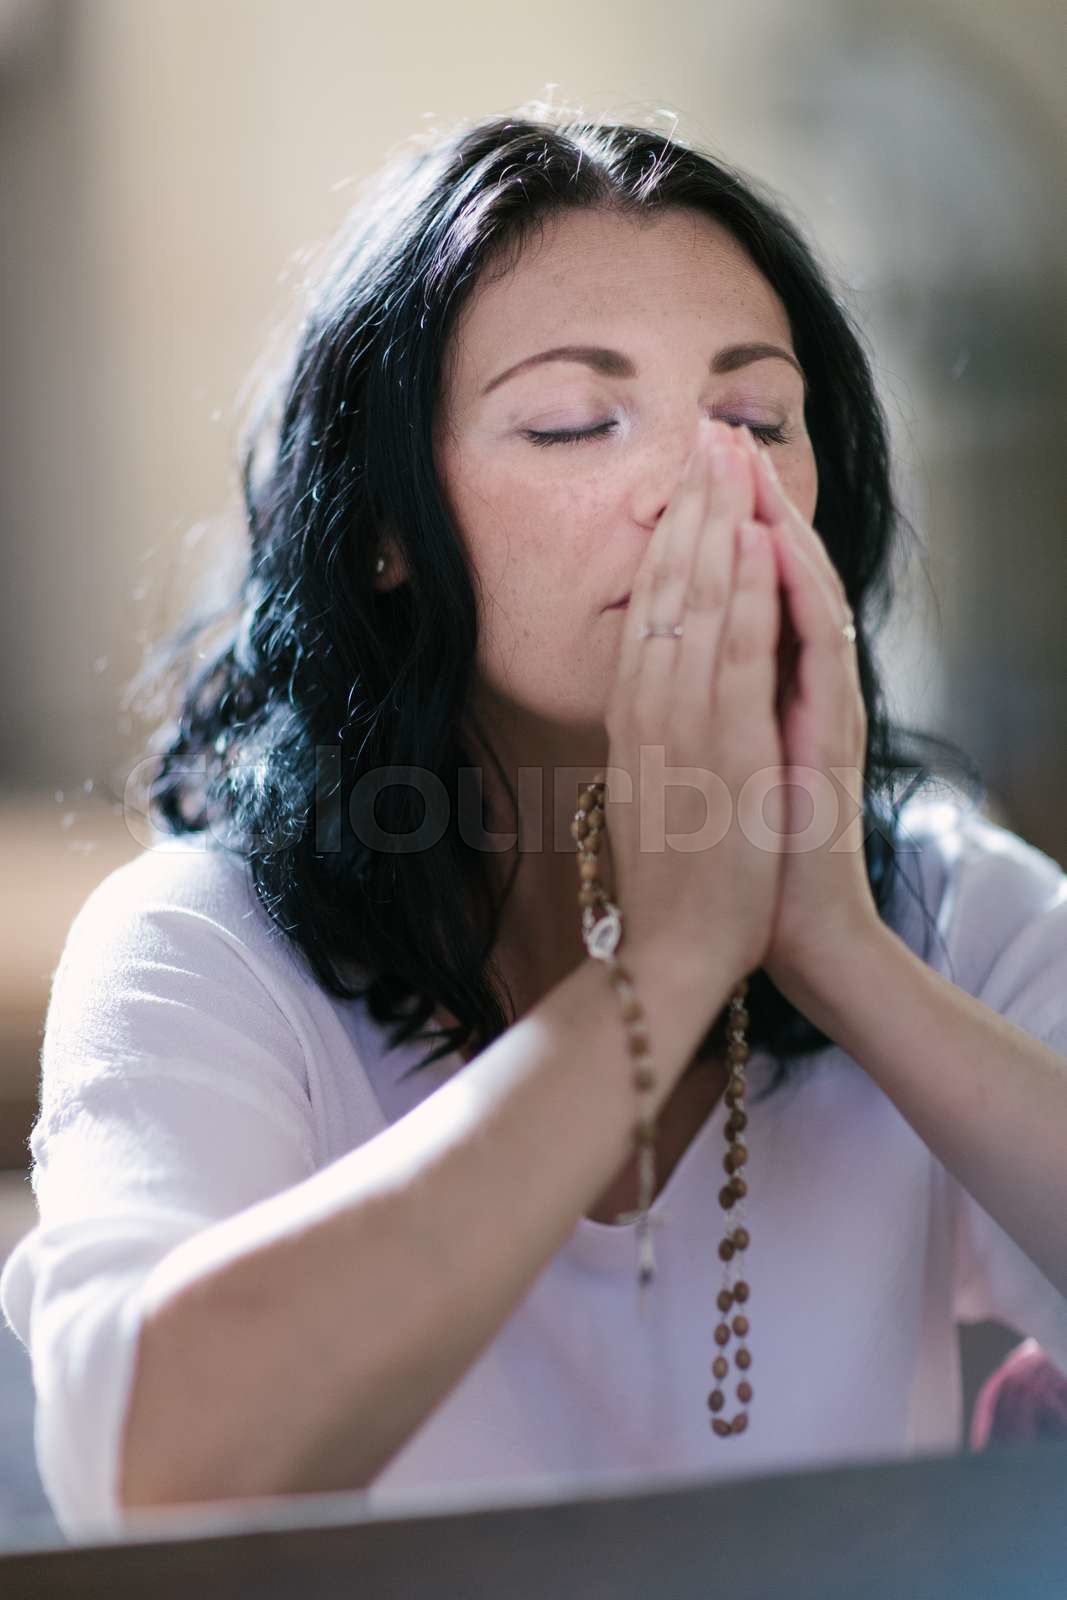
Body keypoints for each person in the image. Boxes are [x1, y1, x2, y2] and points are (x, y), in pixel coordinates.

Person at [4, 108, 1067, 1543]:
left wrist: (838, 950)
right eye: (576, 421)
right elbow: (149, 1462)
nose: (704, 484)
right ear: (384, 519)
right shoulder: (206, 948)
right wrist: (660, 979)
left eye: (756, 420)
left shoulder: (939, 905)